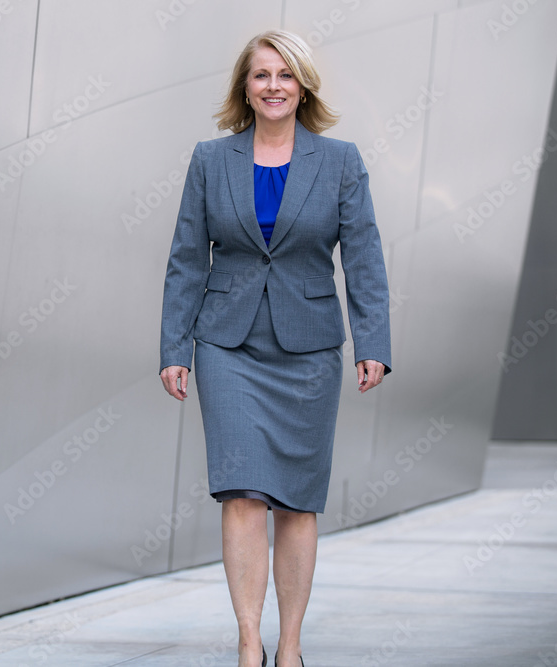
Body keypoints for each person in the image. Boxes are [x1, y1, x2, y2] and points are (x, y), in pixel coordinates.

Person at [158, 30, 392, 667]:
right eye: (261, 74)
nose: (273, 86)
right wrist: (175, 347)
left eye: (286, 75)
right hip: (226, 346)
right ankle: (248, 644)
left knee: (295, 498)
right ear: (245, 86)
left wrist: (372, 341)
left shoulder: (340, 161)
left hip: (309, 350)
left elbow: (364, 258)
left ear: (303, 87)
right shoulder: (211, 159)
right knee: (240, 491)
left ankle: (289, 647)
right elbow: (186, 259)